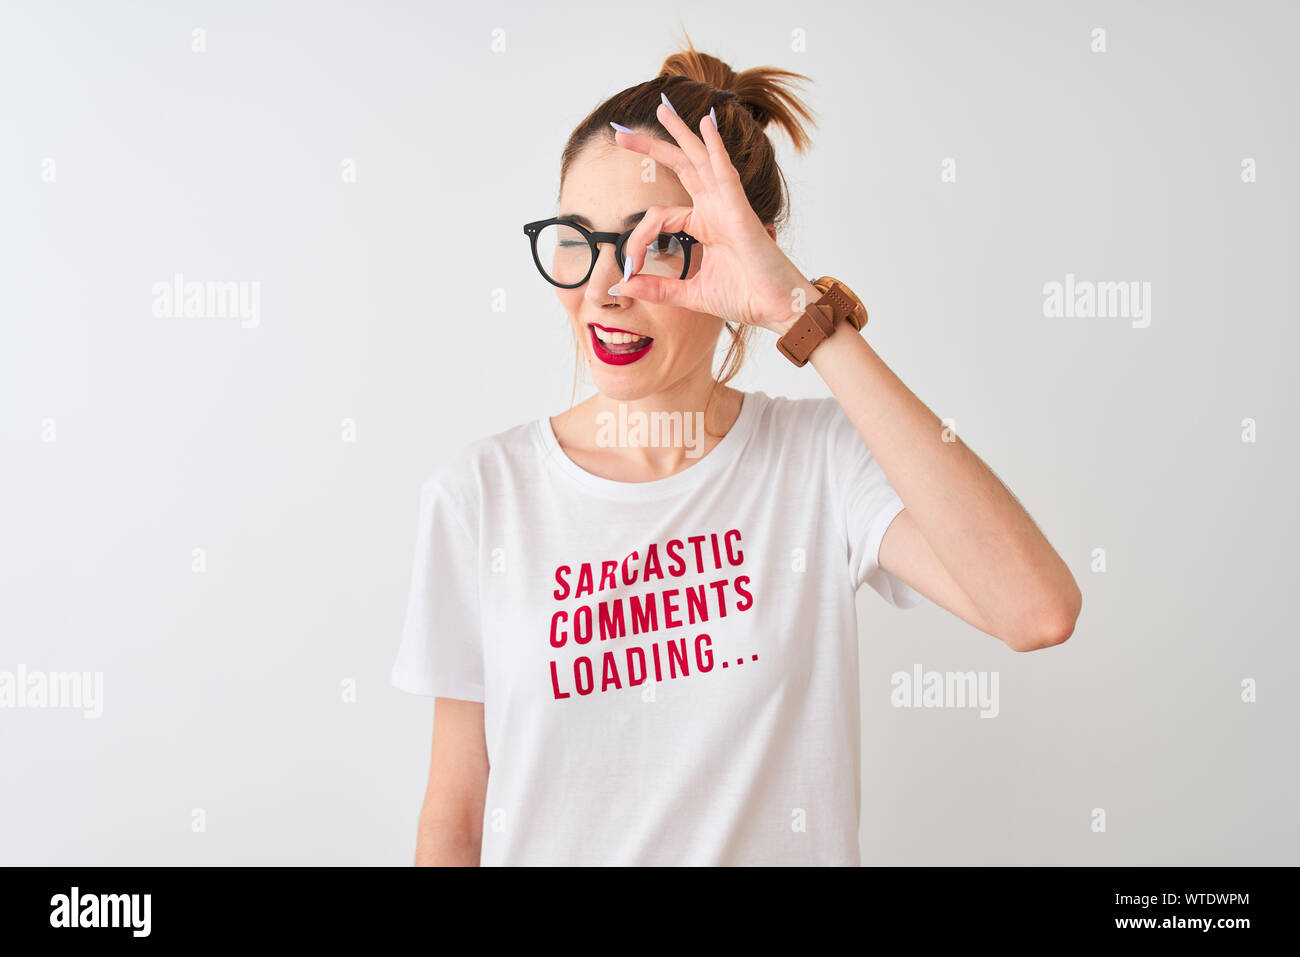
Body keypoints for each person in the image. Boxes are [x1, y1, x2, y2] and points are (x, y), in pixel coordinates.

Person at [391, 36, 1081, 866]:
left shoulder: (820, 464)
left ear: (738, 247)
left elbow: (1036, 609)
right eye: (580, 238)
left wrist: (798, 309)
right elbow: (456, 821)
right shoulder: (481, 496)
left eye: (659, 242)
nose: (608, 287)